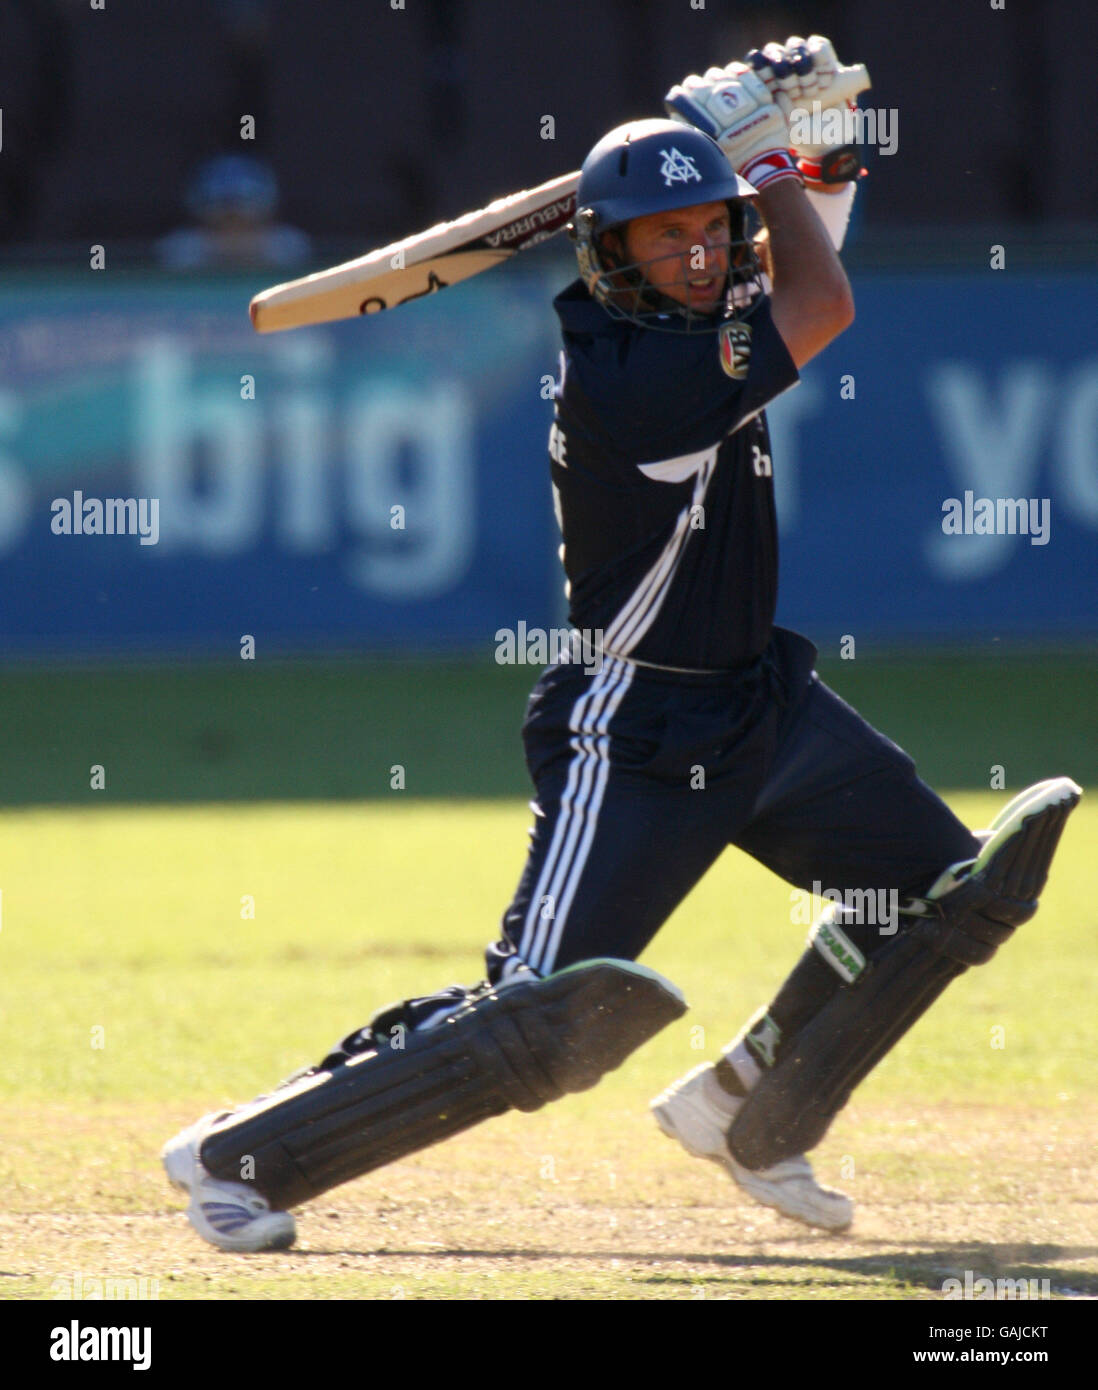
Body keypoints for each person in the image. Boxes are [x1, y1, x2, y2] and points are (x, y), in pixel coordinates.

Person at [162, 37, 1079, 1252]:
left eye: (712, 231)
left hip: (763, 705)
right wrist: (758, 164)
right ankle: (242, 1158)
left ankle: (750, 1106)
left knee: (942, 896)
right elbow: (822, 301)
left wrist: (816, 153)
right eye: (665, 238)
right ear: (609, 256)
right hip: (637, 729)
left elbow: (799, 266)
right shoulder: (634, 373)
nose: (698, 257)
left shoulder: (711, 310)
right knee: (539, 1022)